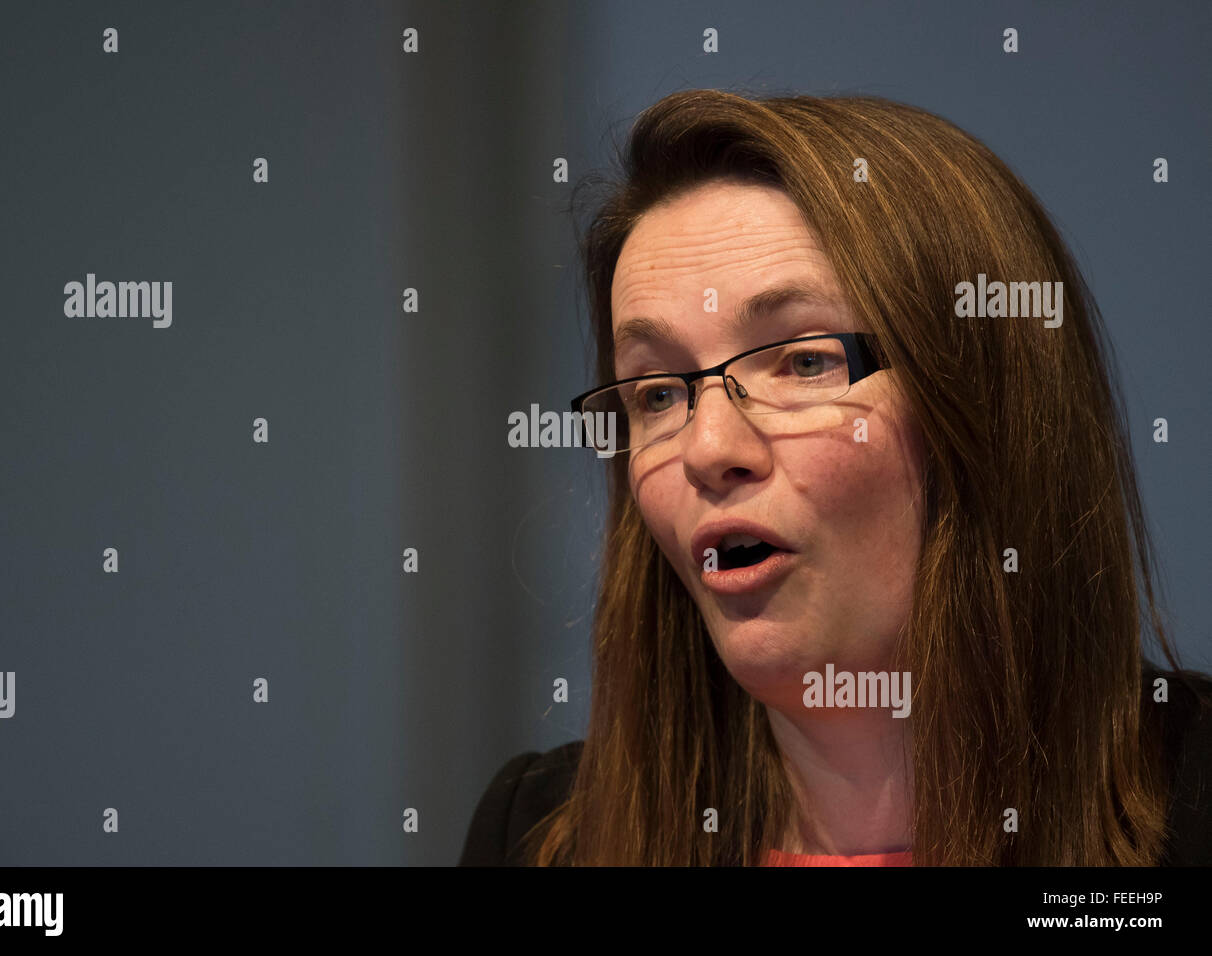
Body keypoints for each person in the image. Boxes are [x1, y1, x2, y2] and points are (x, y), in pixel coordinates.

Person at [460, 89, 1212, 866]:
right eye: (657, 392)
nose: (708, 447)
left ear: (988, 408)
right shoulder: (539, 837)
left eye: (805, 361)